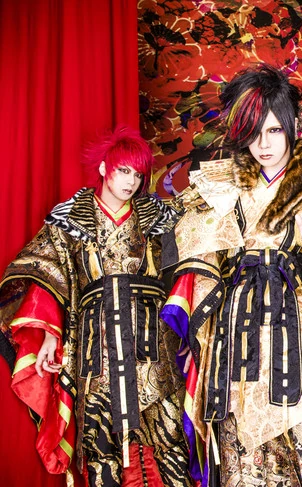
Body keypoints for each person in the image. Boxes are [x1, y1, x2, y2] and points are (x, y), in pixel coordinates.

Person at [160, 64, 302, 487]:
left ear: (292, 128)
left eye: (274, 131)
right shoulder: (222, 186)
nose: (263, 145)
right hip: (236, 324)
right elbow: (196, 256)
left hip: (298, 316)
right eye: (254, 133)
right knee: (239, 430)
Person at [0, 125, 189, 486]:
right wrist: (50, 335)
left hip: (153, 340)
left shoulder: (157, 217)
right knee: (100, 438)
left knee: (167, 433)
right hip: (95, 343)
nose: (131, 181)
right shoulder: (71, 219)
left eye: (138, 174)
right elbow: (48, 274)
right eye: (123, 170)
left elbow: (186, 263)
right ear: (104, 168)